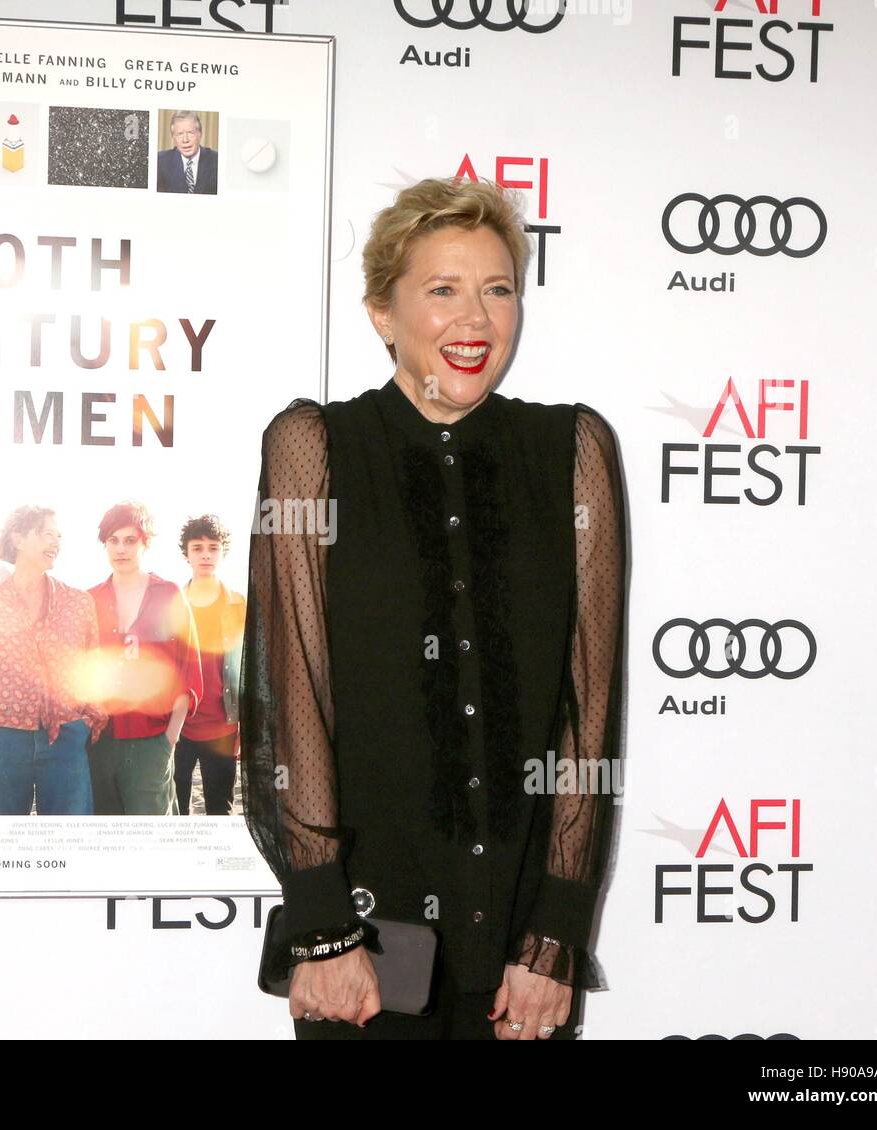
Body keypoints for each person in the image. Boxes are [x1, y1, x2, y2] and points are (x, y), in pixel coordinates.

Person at [240, 177, 627, 1041]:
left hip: (523, 956)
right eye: (442, 290)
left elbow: (588, 712)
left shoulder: (571, 451)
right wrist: (323, 924)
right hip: (366, 953)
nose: (476, 320)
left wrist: (557, 937)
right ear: (383, 313)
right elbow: (290, 692)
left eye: (497, 290)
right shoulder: (315, 447)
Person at [0, 506, 107, 816]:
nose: (56, 543)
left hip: (65, 740)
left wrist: (85, 722)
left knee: (71, 842)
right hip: (1, 740)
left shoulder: (78, 603)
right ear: (18, 538)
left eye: (59, 536)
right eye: (47, 534)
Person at [88, 502, 203, 815]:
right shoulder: (91, 599)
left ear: (145, 542)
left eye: (130, 540)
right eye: (113, 540)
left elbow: (188, 670)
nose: (121, 549)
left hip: (152, 739)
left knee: (152, 841)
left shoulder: (168, 594)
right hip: (100, 741)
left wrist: (170, 738)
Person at [175, 515, 246, 816]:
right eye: (197, 547)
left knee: (220, 810)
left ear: (222, 553)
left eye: (213, 548)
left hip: (222, 726)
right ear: (186, 553)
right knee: (174, 810)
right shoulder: (171, 603)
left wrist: (245, 725)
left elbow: (251, 670)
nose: (205, 554)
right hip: (176, 727)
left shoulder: (239, 605)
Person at [155, 110, 218, 194]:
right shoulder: (160, 162)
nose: (185, 140)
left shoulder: (216, 161)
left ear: (200, 134)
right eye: (180, 134)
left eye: (190, 133)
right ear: (173, 137)